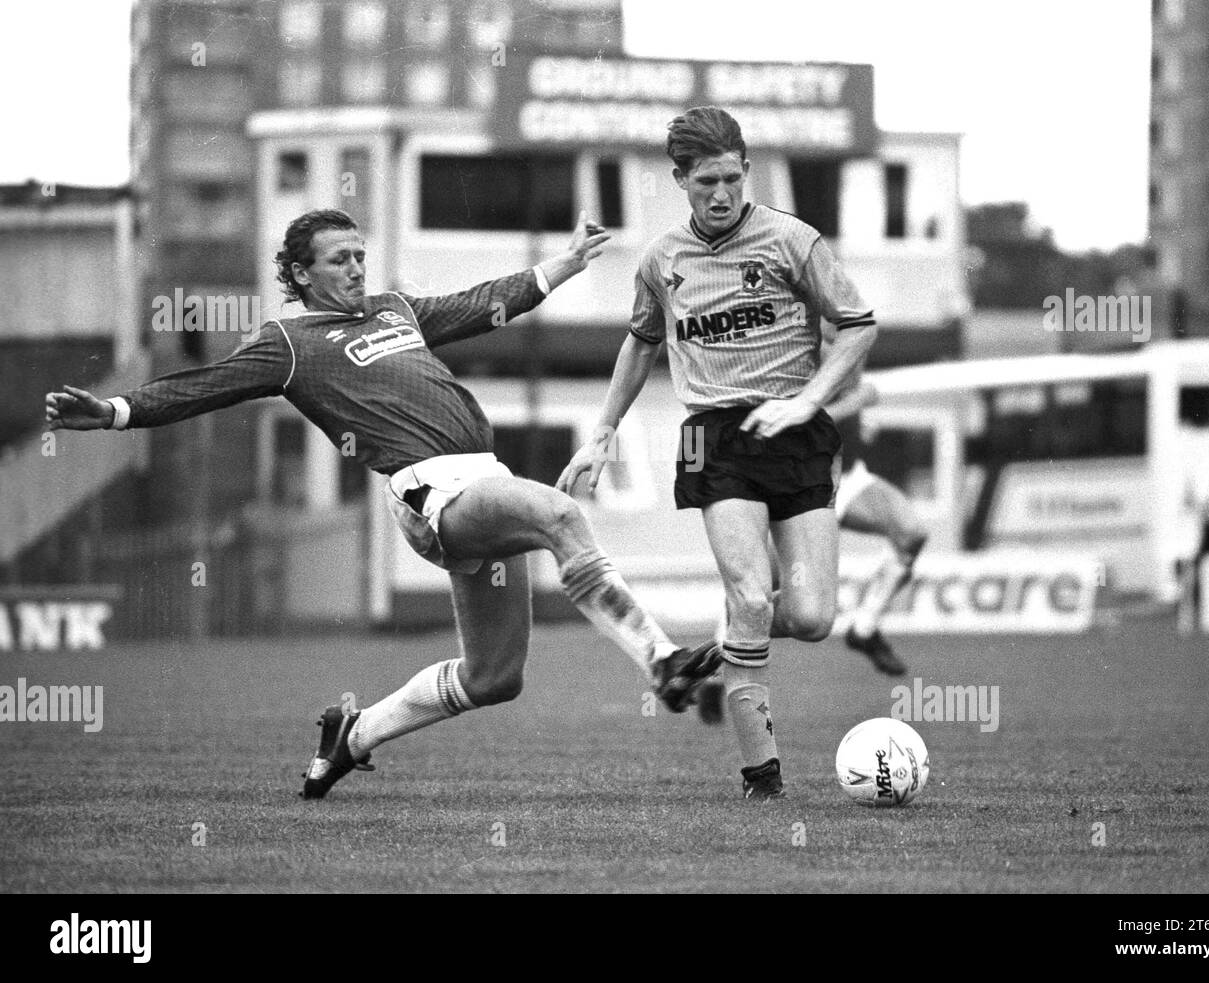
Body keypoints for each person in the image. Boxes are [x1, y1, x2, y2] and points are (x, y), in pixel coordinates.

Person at [44, 207, 721, 801]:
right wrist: (113, 411)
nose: (356, 267)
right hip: (433, 492)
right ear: (303, 275)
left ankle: (353, 732)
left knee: (494, 678)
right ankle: (661, 661)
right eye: (340, 259)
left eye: (360, 255)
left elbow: (481, 302)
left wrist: (564, 263)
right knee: (562, 515)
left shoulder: (395, 310)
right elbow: (205, 386)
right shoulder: (288, 344)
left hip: (482, 481)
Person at [557, 107, 877, 799]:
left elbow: (857, 324)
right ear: (680, 181)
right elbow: (642, 341)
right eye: (706, 182)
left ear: (747, 171)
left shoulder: (793, 241)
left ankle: (701, 655)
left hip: (797, 431)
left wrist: (809, 398)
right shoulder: (662, 259)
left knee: (815, 618)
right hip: (715, 438)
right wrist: (603, 431)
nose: (722, 194)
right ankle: (763, 778)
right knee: (751, 595)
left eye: (732, 178)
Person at [822, 362, 927, 675]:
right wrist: (853, 403)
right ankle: (712, 671)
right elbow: (794, 419)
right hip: (803, 484)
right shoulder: (795, 342)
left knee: (911, 532)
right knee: (766, 586)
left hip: (850, 477)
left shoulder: (851, 339)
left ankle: (864, 629)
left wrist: (856, 422)